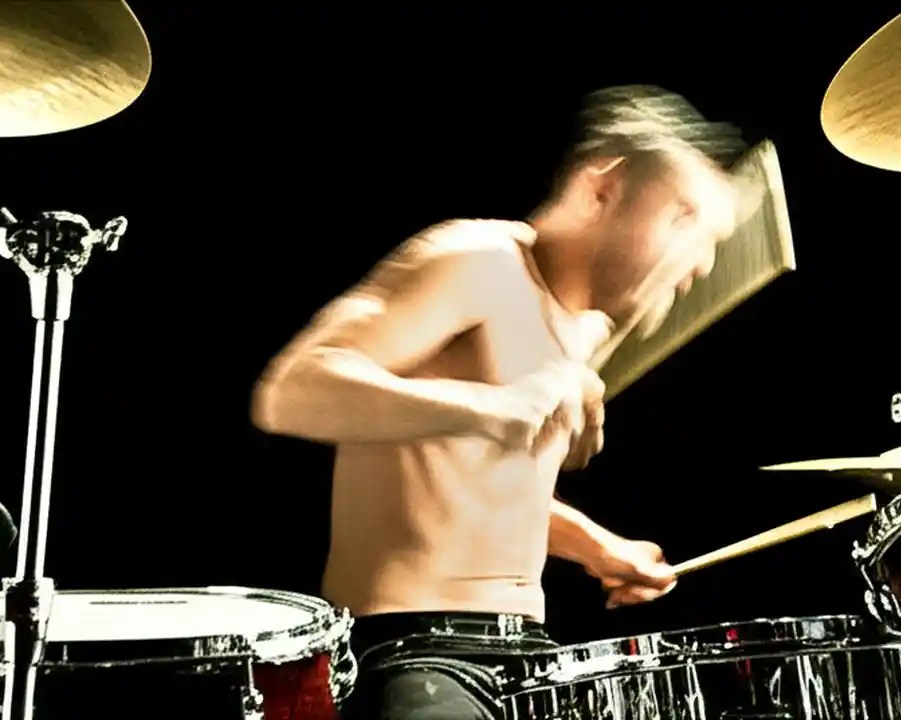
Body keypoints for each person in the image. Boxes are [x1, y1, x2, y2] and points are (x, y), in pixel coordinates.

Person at [249, 86, 746, 720]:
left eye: (712, 240)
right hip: (412, 648)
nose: (701, 262)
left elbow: (469, 488)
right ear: (603, 190)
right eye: (684, 218)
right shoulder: (478, 260)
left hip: (529, 651)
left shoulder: (582, 331)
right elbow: (290, 393)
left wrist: (599, 549)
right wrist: (492, 408)